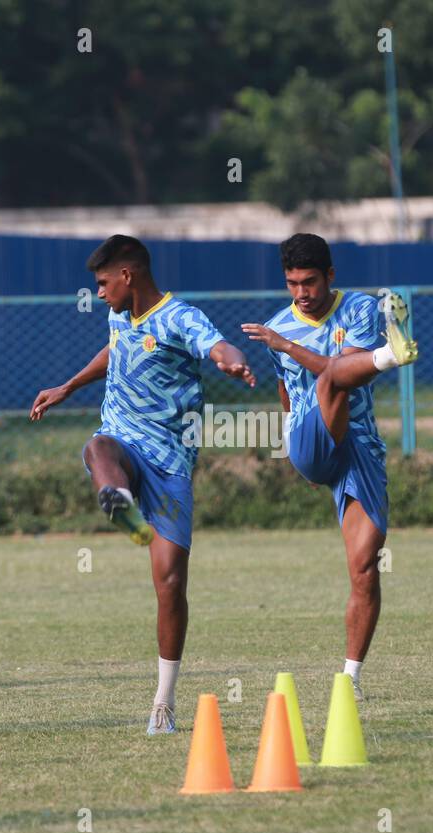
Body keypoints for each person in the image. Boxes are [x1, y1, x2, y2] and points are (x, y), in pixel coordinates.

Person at [30, 236, 256, 735]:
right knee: (98, 448)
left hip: (171, 461)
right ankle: (118, 500)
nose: (100, 293)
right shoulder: (118, 314)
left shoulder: (179, 317)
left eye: (103, 283)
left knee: (170, 583)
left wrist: (230, 360)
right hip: (122, 442)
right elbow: (115, 349)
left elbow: (215, 344)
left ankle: (163, 702)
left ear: (127, 276)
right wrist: (68, 386)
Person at [240, 233, 417, 701]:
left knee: (365, 565)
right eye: (293, 284)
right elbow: (288, 390)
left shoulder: (358, 308)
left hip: (357, 445)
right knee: (333, 377)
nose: (302, 293)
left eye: (311, 282)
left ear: (330, 276)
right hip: (308, 436)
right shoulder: (277, 328)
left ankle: (350, 679)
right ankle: (391, 356)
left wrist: (289, 348)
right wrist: (296, 446)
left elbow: (338, 367)